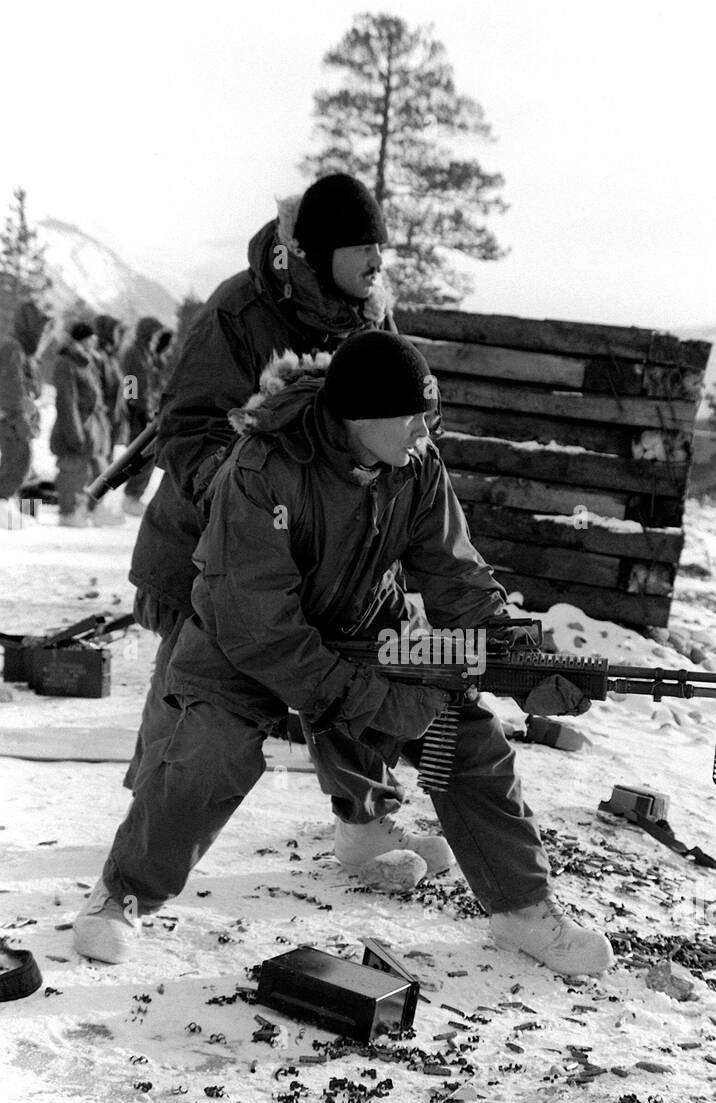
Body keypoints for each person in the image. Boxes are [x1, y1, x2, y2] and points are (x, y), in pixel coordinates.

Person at [72, 332, 614, 984]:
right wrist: (368, 699)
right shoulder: (260, 470)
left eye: (427, 412)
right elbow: (261, 626)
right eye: (411, 415)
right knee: (209, 752)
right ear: (357, 416)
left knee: (468, 736)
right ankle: (125, 891)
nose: (425, 428)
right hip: (238, 640)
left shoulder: (415, 465)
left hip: (366, 626)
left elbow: (456, 578)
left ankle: (522, 910)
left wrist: (518, 661)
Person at [123, 172, 396, 789]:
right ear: (322, 253)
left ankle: (366, 820)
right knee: (190, 694)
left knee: (359, 675)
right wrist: (258, 502)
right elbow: (188, 430)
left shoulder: (372, 324)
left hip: (328, 553)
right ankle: (145, 836)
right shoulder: (239, 309)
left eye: (381, 248)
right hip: (210, 549)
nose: (378, 262)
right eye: (364, 248)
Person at [50, 320, 120, 527]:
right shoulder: (106, 358)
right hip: (95, 419)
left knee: (101, 467)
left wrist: (129, 401)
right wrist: (134, 400)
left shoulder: (106, 357)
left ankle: (90, 508)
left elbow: (124, 383)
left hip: (104, 420)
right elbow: (128, 381)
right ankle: (75, 509)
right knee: (77, 467)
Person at [0, 300, 51, 510]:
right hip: (12, 419)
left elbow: (33, 389)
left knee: (21, 463)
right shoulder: (13, 347)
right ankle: (2, 505)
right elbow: (11, 386)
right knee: (17, 463)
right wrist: (19, 417)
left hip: (21, 419)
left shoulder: (26, 353)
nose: (43, 333)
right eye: (40, 327)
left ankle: (10, 507)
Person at [119, 315, 164, 516]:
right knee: (141, 455)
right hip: (138, 413)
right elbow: (130, 381)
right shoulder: (133, 353)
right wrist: (134, 405)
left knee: (148, 454)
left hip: (148, 411)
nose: (157, 338)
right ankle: (131, 497)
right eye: (154, 333)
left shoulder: (147, 353)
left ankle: (135, 496)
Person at [91, 314, 129, 456]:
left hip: (113, 421)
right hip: (102, 422)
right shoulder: (98, 357)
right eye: (117, 332)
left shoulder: (113, 358)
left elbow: (128, 384)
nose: (120, 337)